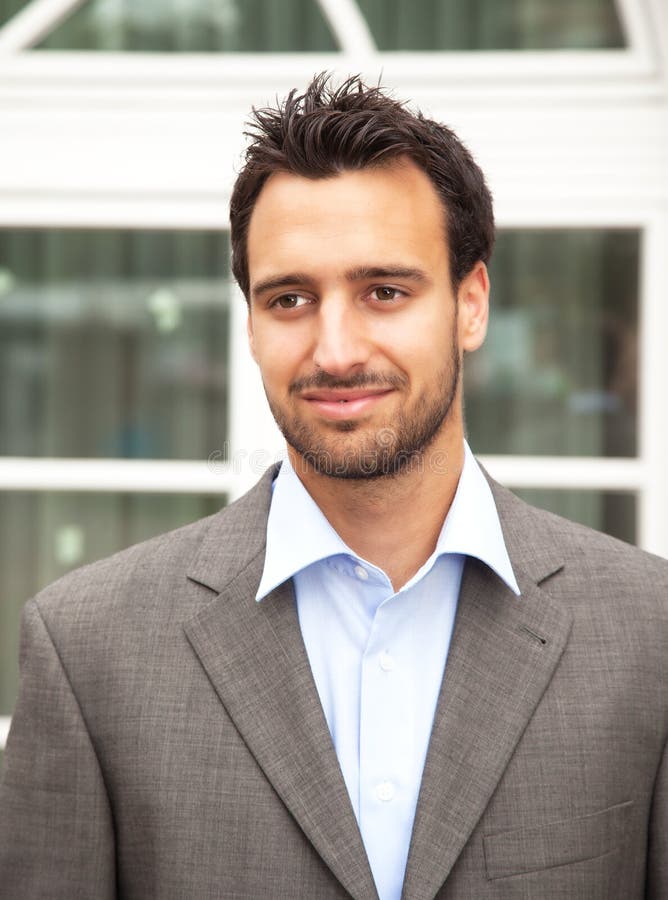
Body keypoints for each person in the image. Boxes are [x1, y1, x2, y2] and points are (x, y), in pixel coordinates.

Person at [0, 74, 665, 900]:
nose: (337, 348)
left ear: (471, 303)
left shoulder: (652, 635)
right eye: (291, 298)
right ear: (250, 325)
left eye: (384, 291)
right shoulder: (87, 651)